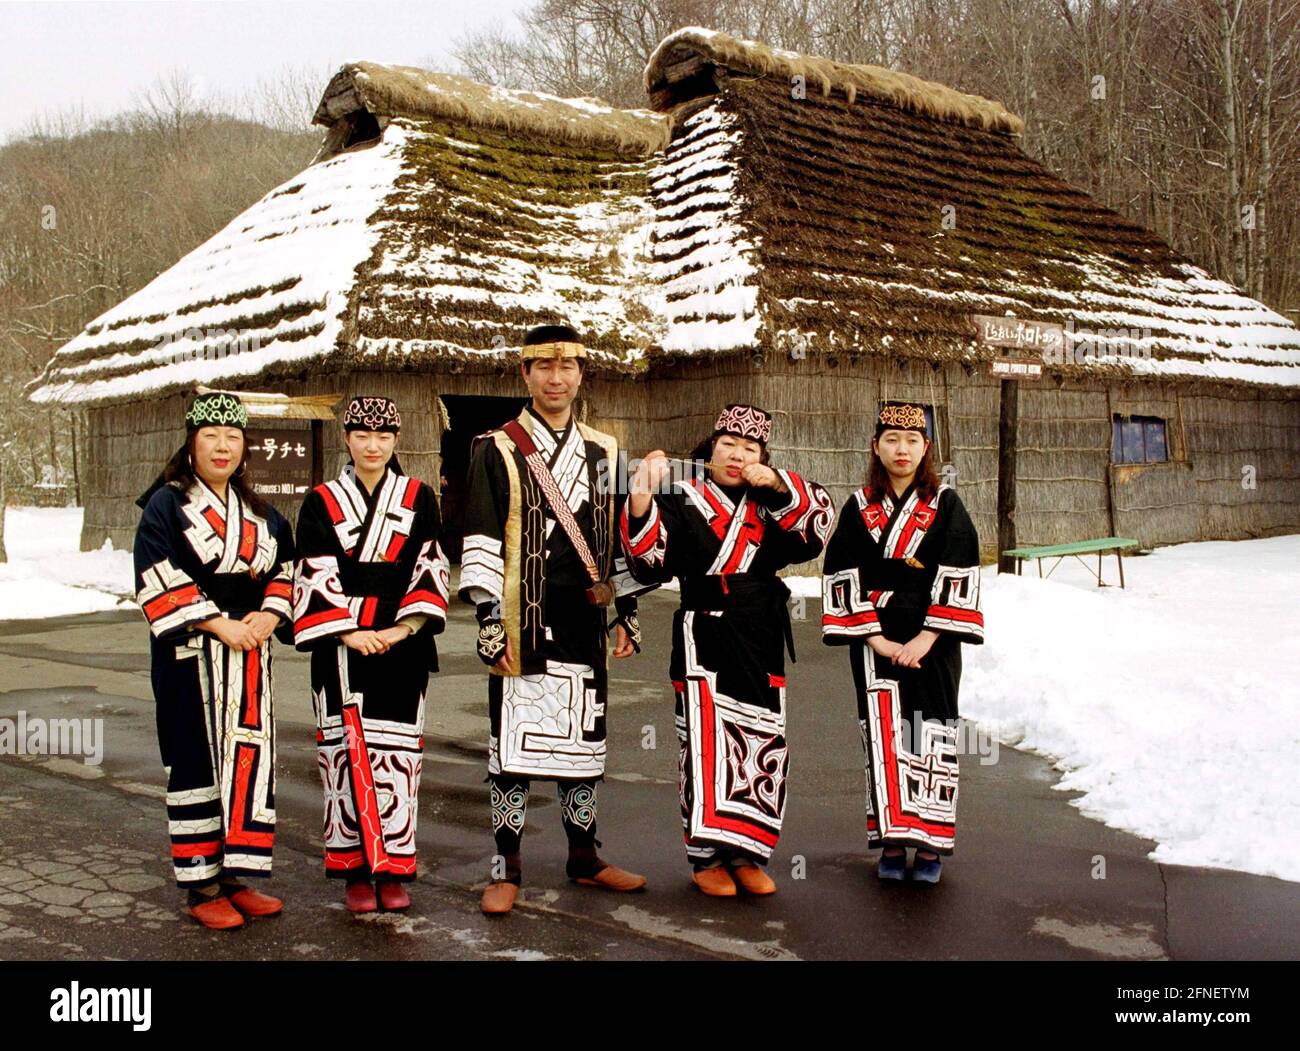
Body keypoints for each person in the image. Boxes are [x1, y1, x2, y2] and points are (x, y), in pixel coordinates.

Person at [459, 323, 651, 915]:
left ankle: (583, 856)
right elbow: (485, 533)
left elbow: (617, 536)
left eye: (567, 367)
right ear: (525, 374)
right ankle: (506, 865)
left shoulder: (605, 450)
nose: (556, 377)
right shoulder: (497, 447)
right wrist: (489, 620)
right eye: (544, 367)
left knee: (583, 743)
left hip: (585, 620)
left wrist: (627, 611)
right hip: (523, 618)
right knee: (512, 747)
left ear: (581, 374)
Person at [620, 405, 833, 896]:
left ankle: (748, 852)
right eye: (728, 446)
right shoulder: (682, 496)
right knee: (703, 742)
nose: (737, 456)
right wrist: (640, 495)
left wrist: (779, 484)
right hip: (704, 632)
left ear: (764, 456)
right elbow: (651, 562)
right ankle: (705, 858)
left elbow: (813, 536)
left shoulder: (770, 500)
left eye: (750, 449)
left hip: (760, 634)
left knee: (762, 743)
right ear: (710, 448)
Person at [133, 391, 295, 929]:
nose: (222, 447)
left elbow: (286, 571)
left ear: (244, 446)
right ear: (191, 443)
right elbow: (156, 572)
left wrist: (270, 615)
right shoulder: (166, 505)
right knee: (196, 759)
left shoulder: (261, 513)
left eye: (232, 437)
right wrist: (215, 621)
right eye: (211, 437)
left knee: (246, 761)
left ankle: (234, 877)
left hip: (249, 657)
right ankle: (201, 884)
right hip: (191, 655)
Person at [292, 396, 450, 913]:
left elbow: (430, 564)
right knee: (342, 756)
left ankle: (394, 867)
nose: (373, 445)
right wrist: (348, 632)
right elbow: (313, 569)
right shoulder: (321, 500)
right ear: (347, 438)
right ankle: (353, 870)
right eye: (362, 435)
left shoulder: (419, 496)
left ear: (396, 441)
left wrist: (404, 627)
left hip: (403, 645)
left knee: (398, 757)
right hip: (341, 646)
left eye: (383, 436)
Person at [821, 402, 984, 884]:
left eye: (912, 441)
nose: (902, 449)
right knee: (884, 734)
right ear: (876, 446)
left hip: (933, 637)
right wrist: (876, 639)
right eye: (892, 439)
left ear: (926, 448)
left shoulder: (946, 504)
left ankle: (930, 843)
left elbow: (961, 568)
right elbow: (841, 572)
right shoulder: (858, 506)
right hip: (875, 638)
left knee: (930, 732)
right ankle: (892, 842)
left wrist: (928, 635)